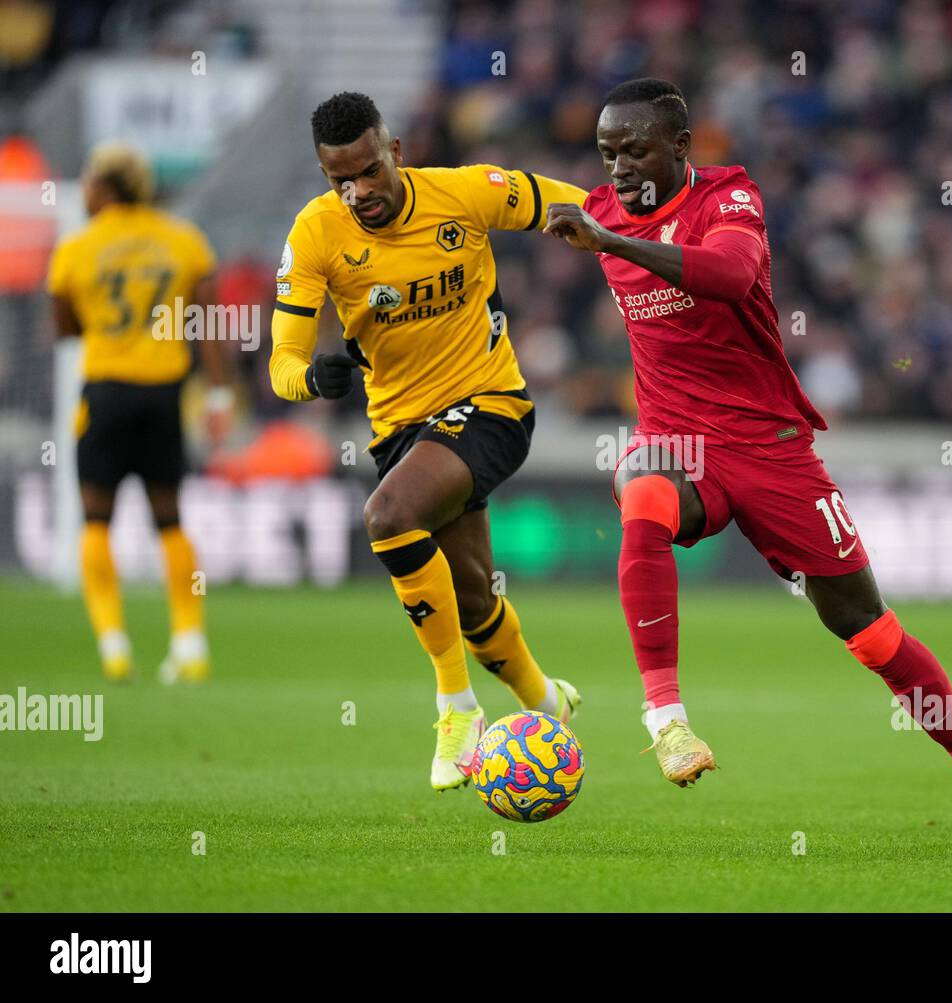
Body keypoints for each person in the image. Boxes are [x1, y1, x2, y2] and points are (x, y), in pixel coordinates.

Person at [543, 79, 952, 848]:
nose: (619, 167)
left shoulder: (729, 199)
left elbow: (731, 276)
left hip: (770, 449)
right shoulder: (595, 207)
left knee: (869, 633)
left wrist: (610, 244)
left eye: (635, 149)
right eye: (607, 153)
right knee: (642, 492)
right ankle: (665, 717)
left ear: (680, 146)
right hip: (676, 439)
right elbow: (488, 198)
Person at [269, 92, 586, 791]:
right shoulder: (317, 233)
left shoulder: (464, 195)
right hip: (402, 430)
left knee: (387, 516)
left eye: (366, 172)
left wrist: (645, 238)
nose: (357, 192)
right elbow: (281, 361)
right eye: (338, 181)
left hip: (492, 404)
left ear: (395, 153)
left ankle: (457, 707)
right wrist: (311, 380)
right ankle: (546, 703)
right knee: (472, 602)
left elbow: (575, 204)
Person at [47, 141, 230, 683]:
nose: (83, 190)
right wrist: (218, 395)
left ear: (106, 186)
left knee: (95, 517)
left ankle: (112, 644)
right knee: (170, 519)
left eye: (89, 180)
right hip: (163, 393)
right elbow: (209, 327)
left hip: (105, 392)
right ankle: (191, 643)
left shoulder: (77, 248)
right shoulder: (183, 240)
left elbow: (64, 330)